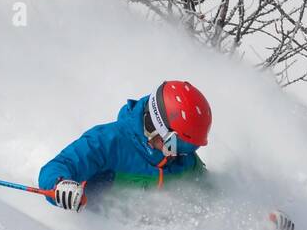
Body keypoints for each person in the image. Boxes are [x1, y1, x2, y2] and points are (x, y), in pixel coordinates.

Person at [39, 80, 212, 211]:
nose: (181, 154)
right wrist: (60, 185)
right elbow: (59, 165)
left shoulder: (183, 159)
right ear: (155, 127)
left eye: (189, 147)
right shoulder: (108, 141)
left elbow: (210, 190)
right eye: (177, 144)